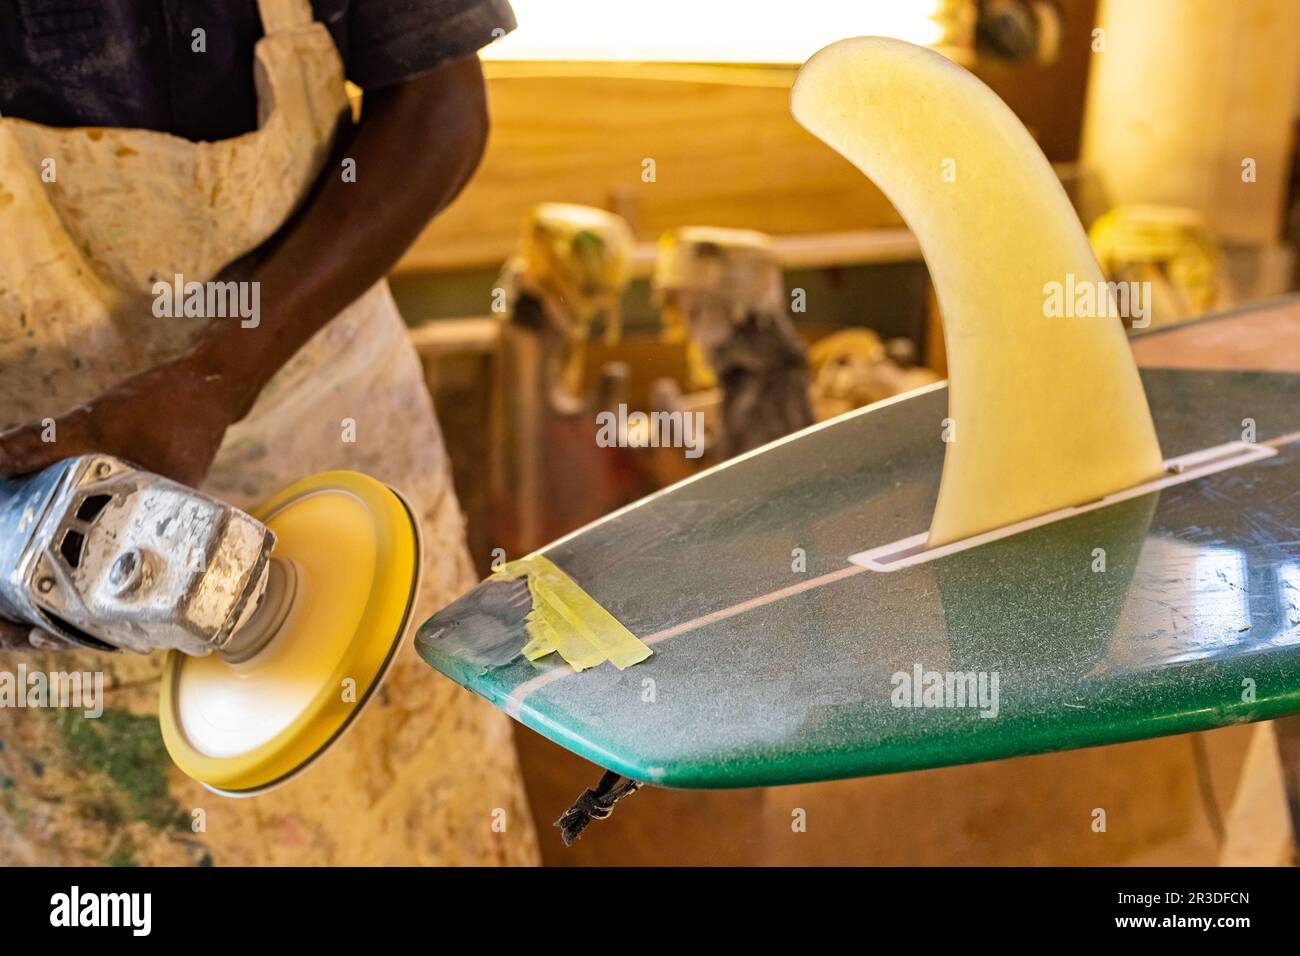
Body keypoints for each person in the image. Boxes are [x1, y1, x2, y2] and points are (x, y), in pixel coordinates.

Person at [0, 0, 538, 865]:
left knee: (405, 817)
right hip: (27, 497)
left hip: (317, 415)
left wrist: (216, 378)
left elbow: (442, 109)